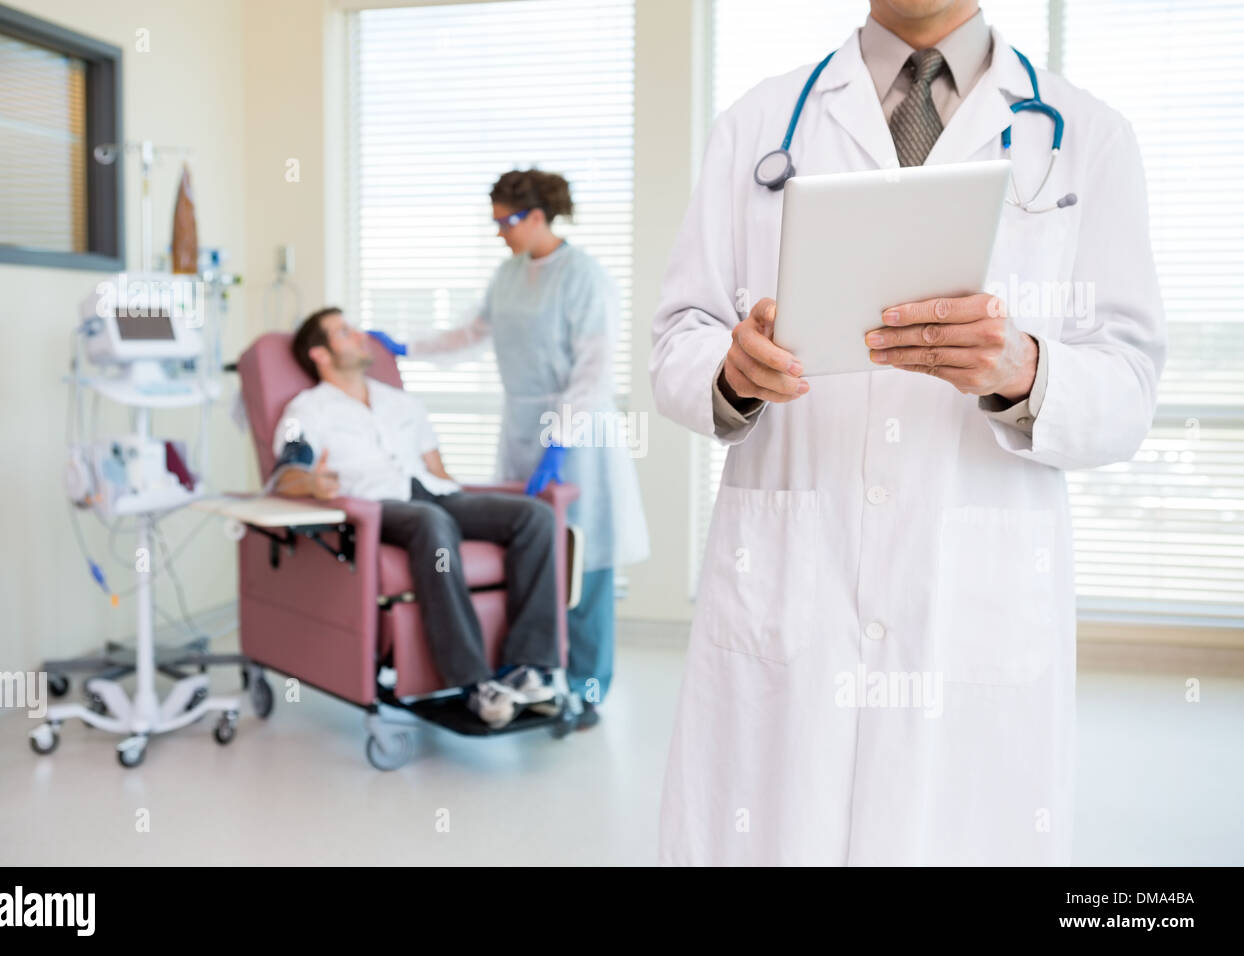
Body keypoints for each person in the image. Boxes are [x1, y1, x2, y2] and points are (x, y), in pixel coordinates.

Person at [650, 1, 1165, 865]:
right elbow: (678, 341)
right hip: (792, 593)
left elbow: (1130, 386)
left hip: (971, 599)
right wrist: (732, 372)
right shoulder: (759, 122)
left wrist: (1023, 369)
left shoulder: (1089, 137)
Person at [370, 169, 650, 730]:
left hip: (579, 431)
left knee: (584, 559)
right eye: (496, 222)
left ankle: (586, 690)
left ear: (541, 216)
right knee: (533, 549)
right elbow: (471, 335)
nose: (500, 233)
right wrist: (405, 346)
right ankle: (533, 675)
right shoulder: (508, 275)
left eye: (508, 221)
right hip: (524, 423)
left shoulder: (584, 277)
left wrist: (559, 444)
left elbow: (593, 373)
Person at [272, 306, 564, 730]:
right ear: (318, 353)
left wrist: (481, 505)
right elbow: (290, 470)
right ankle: (473, 681)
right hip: (378, 506)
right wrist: (313, 486)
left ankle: (527, 666)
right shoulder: (308, 409)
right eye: (342, 332)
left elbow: (439, 471)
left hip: (437, 494)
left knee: (534, 517)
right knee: (431, 522)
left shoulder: (401, 402)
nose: (358, 334)